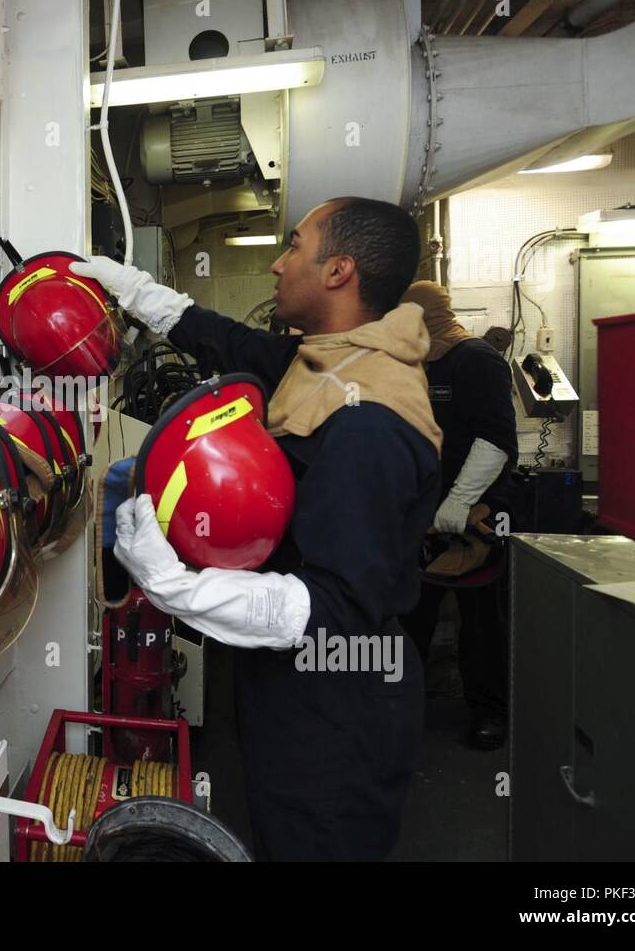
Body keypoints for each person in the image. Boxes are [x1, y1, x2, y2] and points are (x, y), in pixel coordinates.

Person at [71, 197, 441, 861]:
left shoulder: (369, 423)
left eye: (294, 246)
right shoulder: (334, 362)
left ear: (338, 271)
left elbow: (333, 609)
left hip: (337, 708)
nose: (277, 263)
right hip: (290, 690)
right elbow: (232, 344)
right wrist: (135, 292)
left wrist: (178, 588)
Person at [400, 281, 517, 751]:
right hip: (425, 518)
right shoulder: (417, 366)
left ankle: (489, 712)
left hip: (477, 518)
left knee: (482, 623)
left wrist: (460, 503)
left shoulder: (476, 360)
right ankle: (400, 710)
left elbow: (496, 441)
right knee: (411, 619)